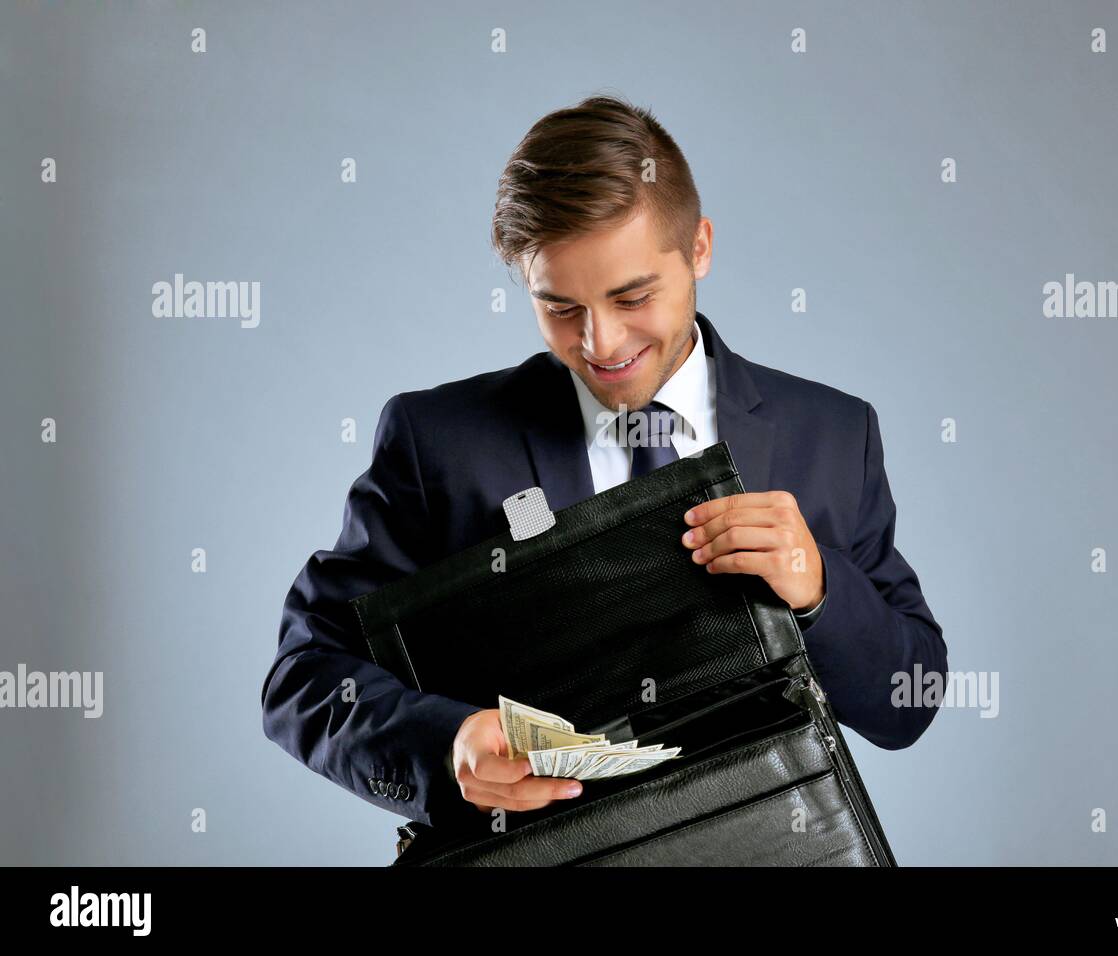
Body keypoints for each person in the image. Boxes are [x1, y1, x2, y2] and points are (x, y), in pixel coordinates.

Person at [261, 94, 946, 827]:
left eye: (633, 295)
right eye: (560, 307)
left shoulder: (833, 435)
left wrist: (817, 591)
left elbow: (911, 697)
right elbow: (303, 676)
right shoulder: (439, 443)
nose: (602, 343)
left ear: (701, 248)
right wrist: (448, 743)